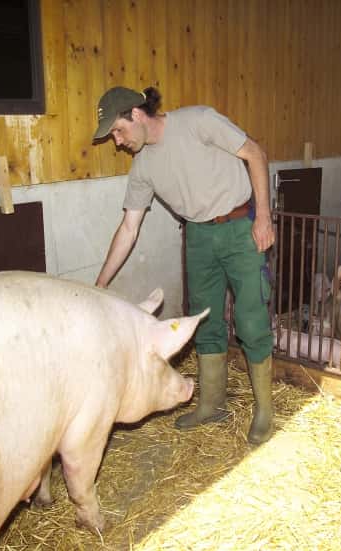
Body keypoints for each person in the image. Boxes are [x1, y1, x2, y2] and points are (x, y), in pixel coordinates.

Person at [92, 86, 276, 445]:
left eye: (117, 130)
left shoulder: (198, 121)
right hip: (198, 237)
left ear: (135, 113)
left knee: (251, 320)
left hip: (240, 227)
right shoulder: (143, 168)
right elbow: (129, 228)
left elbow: (255, 153)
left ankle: (265, 411)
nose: (117, 141)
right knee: (203, 318)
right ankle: (211, 404)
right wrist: (98, 286)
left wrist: (264, 217)